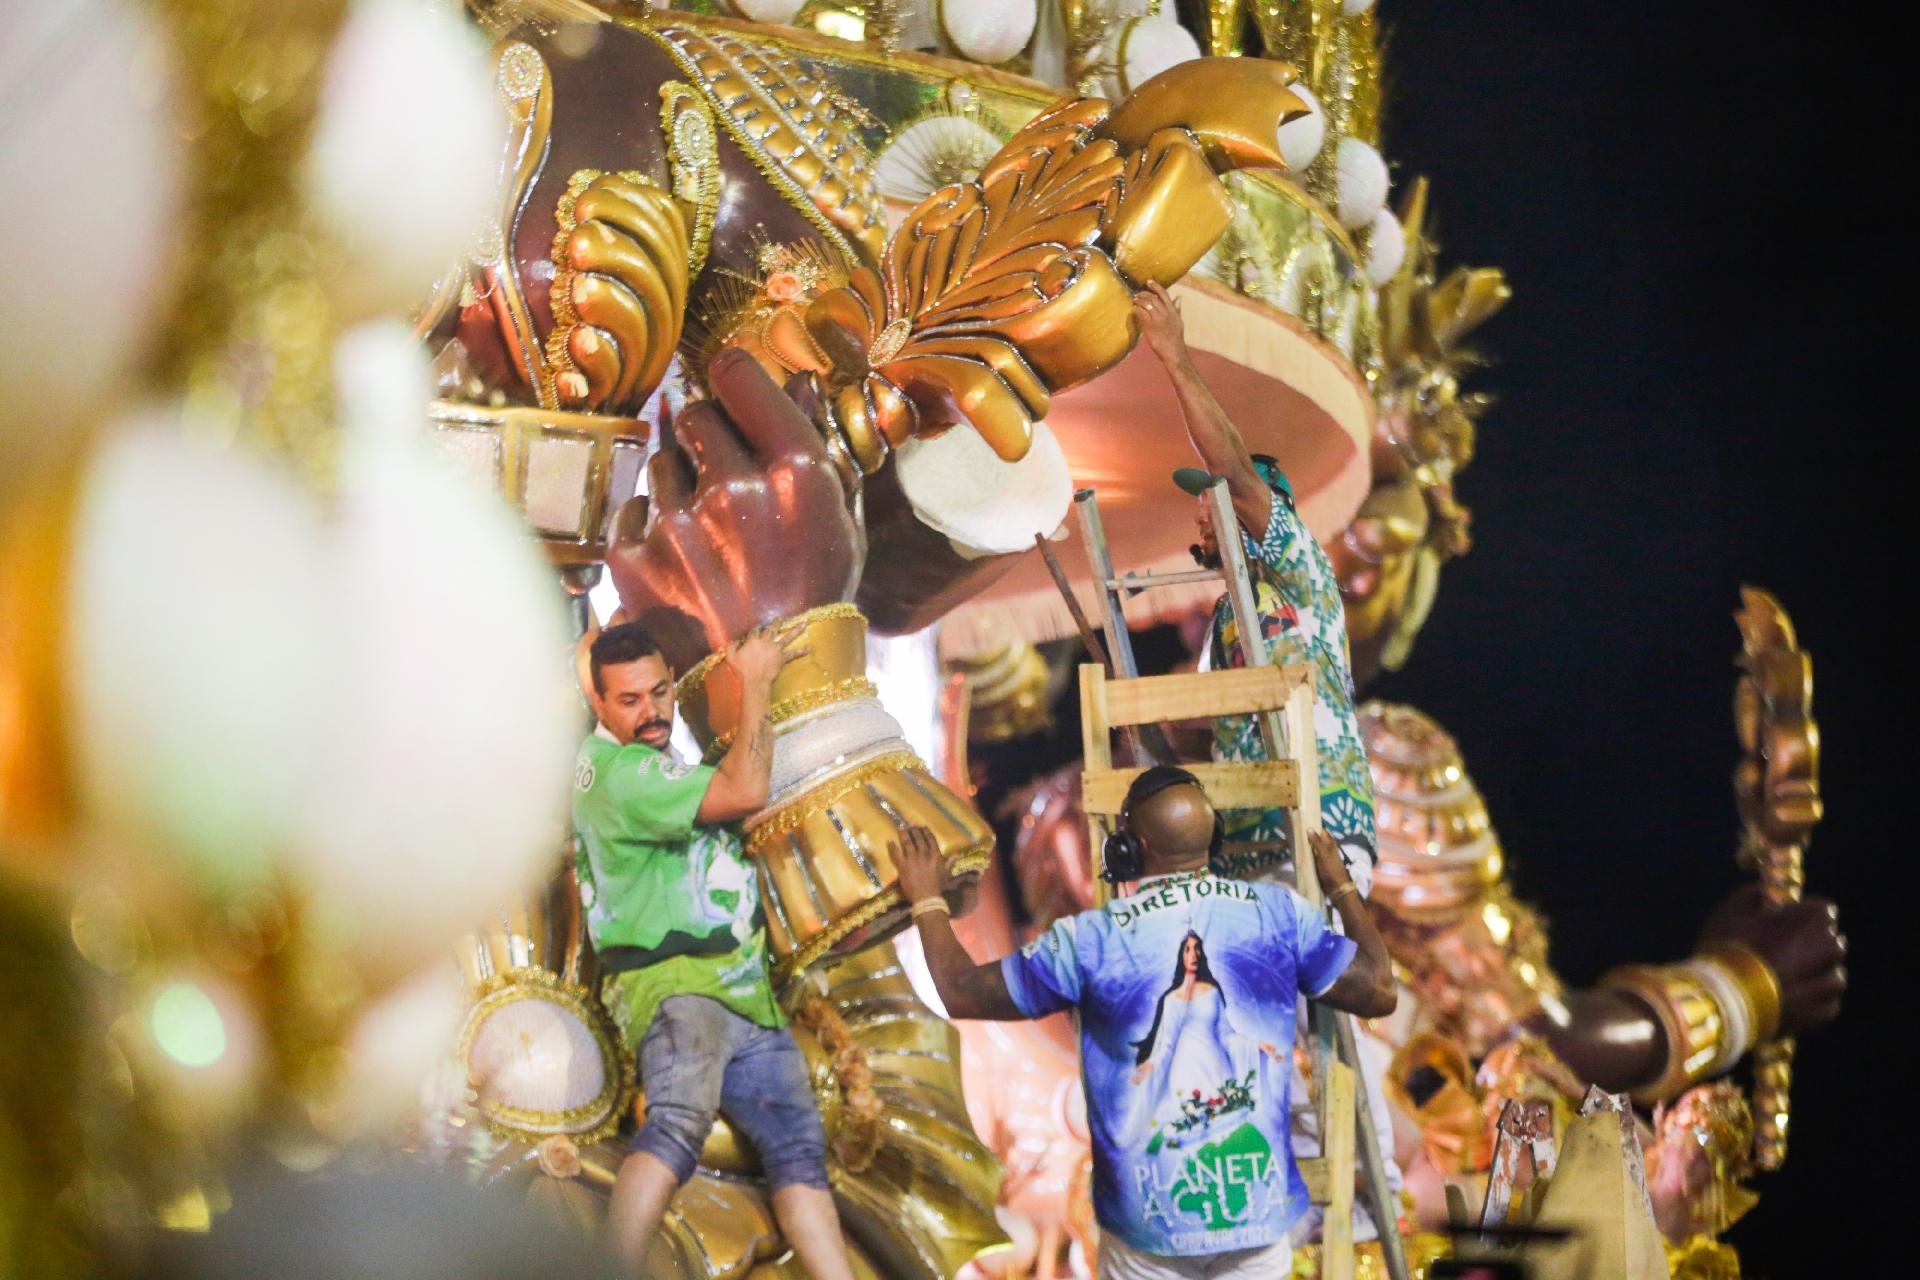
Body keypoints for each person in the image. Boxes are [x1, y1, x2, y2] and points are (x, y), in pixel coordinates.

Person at [896, 766, 1397, 1280]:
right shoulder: (1278, 915)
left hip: (1147, 1228)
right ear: (1213, 836)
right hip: (1257, 1216)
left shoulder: (1089, 939)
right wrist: (1340, 888)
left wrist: (926, 898)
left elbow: (959, 990)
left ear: (1127, 850)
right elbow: (1379, 990)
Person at [574, 620, 854, 1280]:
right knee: (675, 1127)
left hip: (745, 995)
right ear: (598, 704)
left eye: (661, 692)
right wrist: (754, 680)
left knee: (799, 1154)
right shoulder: (620, 773)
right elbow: (746, 791)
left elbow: (739, 804)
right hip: (679, 987)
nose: (652, 712)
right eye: (630, 700)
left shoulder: (660, 767)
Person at [1133, 282, 1378, 889]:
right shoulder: (1228, 616)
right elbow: (1211, 736)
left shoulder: (1301, 572)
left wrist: (1175, 355)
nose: (1200, 512)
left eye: (1214, 503)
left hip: (1316, 833)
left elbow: (1236, 476)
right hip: (1242, 853)